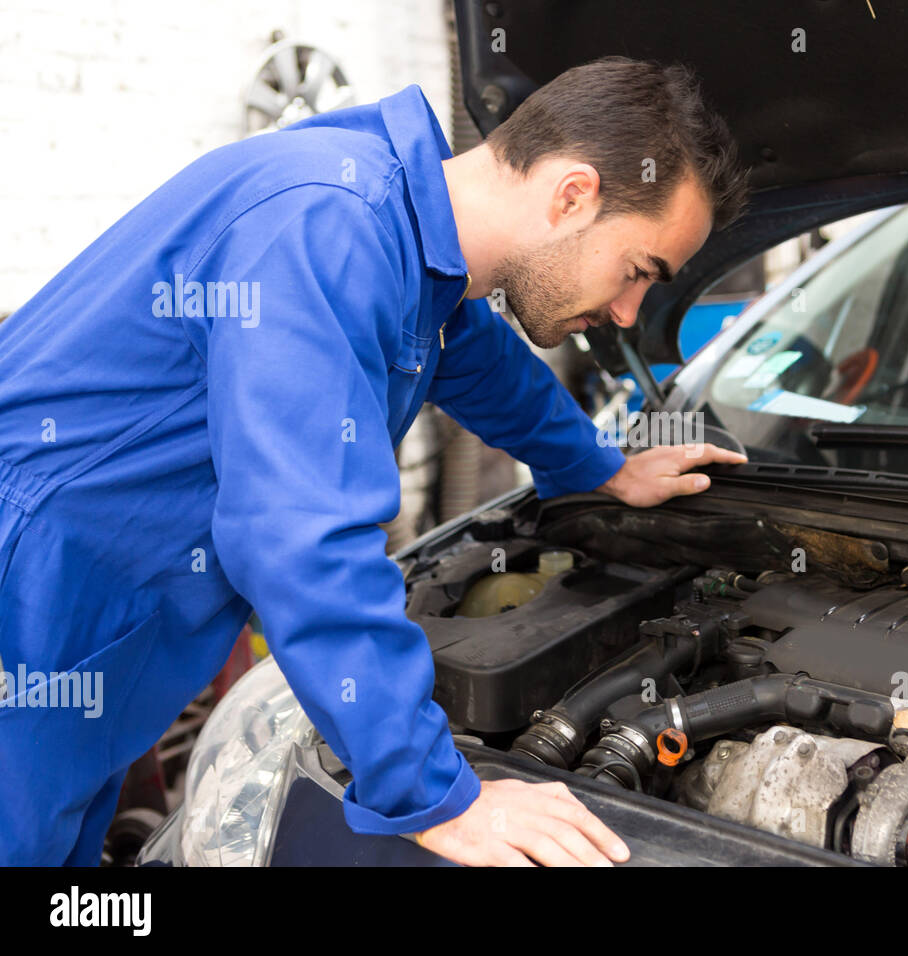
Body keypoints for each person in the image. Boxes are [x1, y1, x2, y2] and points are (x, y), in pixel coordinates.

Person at [0, 56, 750, 866]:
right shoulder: (327, 227)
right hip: (33, 604)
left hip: (96, 626)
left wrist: (600, 468)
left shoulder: (407, 230)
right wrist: (433, 793)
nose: (627, 314)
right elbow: (301, 539)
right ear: (572, 195)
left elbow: (476, 359)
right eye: (639, 271)